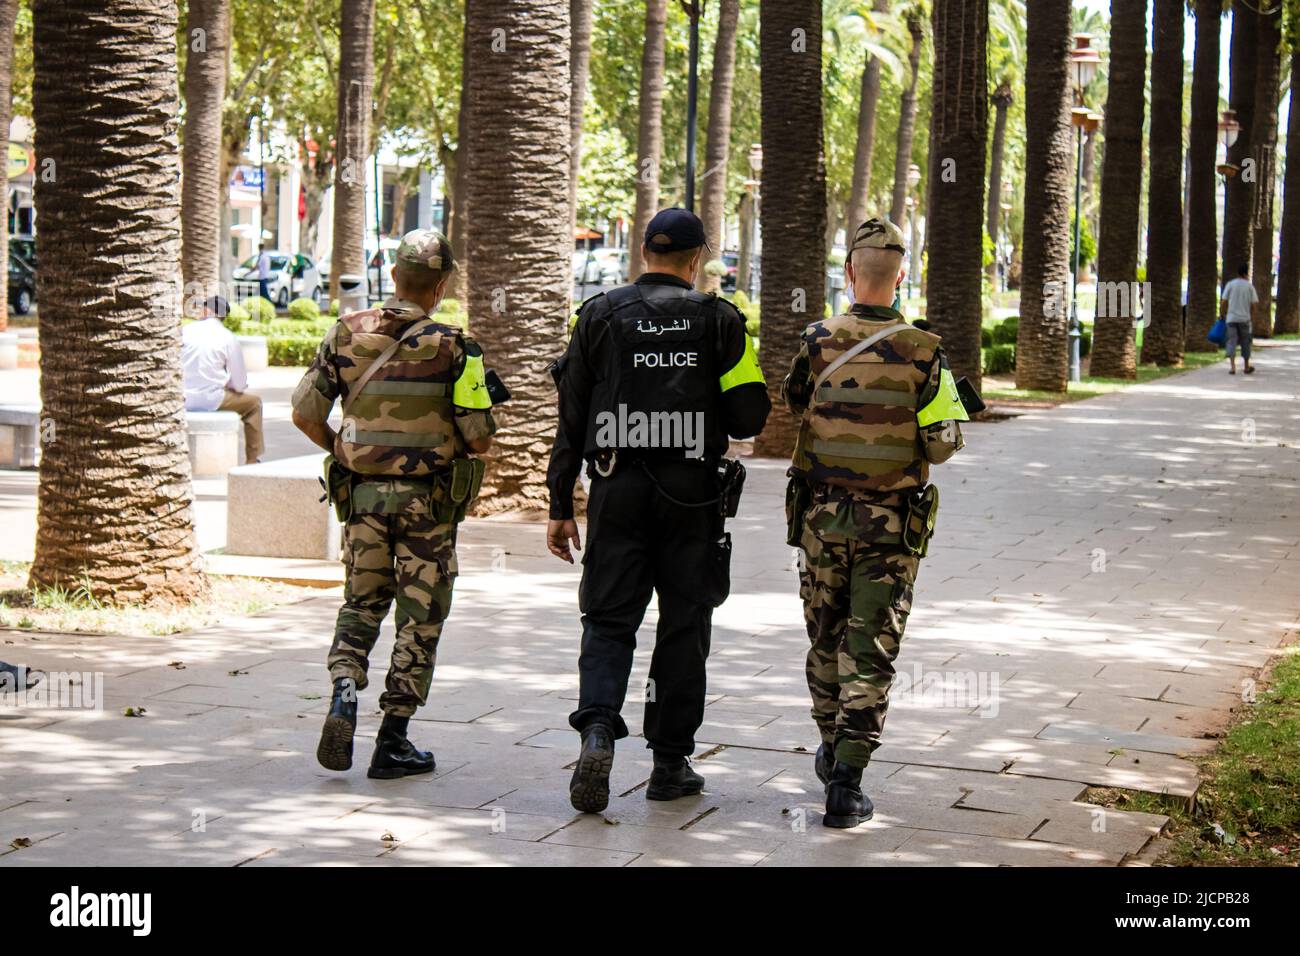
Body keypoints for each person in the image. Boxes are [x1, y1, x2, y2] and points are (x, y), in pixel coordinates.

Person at [546, 207, 771, 814]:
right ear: (697, 259)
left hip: (616, 489)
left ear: (644, 251)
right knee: (683, 625)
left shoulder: (597, 314)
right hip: (692, 494)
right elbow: (751, 416)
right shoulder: (721, 321)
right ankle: (670, 764)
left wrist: (560, 503)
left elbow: (570, 416)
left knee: (609, 618)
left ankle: (597, 729)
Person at [783, 216, 967, 829]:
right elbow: (941, 446)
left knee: (824, 637)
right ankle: (847, 780)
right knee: (871, 648)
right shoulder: (926, 351)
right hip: (890, 530)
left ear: (849, 274)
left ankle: (831, 747)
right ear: (901, 275)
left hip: (821, 521)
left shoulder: (816, 338)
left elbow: (793, 403)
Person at [291, 228, 495, 779]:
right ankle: (393, 740)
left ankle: (342, 695)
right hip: (428, 507)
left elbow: (305, 415)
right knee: (420, 616)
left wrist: (353, 451)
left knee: (361, 603)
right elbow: (478, 439)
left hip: (361, 501)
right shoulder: (456, 347)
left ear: (395, 275)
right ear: (442, 285)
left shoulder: (344, 332)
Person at [181, 295, 264, 464]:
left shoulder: (185, 331)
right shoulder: (227, 337)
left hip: (181, 398)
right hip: (212, 399)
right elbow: (240, 384)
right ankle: (252, 460)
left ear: (206, 310)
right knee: (254, 404)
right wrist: (227, 383)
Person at [1220, 263, 1257, 375]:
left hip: (1231, 318)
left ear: (1238, 273)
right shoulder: (1249, 286)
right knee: (1245, 342)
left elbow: (1224, 301)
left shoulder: (1231, 284)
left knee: (1231, 341)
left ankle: (1233, 367)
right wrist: (1252, 317)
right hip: (1245, 319)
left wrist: (1223, 313)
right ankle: (1246, 367)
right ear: (1246, 273)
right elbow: (1254, 304)